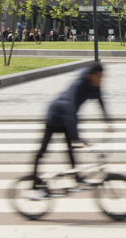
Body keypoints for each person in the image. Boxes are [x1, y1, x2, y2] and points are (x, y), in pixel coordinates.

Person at [29, 63, 111, 195]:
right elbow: (70, 111)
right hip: (55, 116)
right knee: (43, 151)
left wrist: (108, 122)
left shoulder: (94, 85)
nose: (101, 81)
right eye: (99, 78)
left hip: (67, 119)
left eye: (103, 78)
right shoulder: (78, 85)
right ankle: (33, 185)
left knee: (71, 150)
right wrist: (76, 137)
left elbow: (100, 100)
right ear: (91, 76)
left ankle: (77, 179)